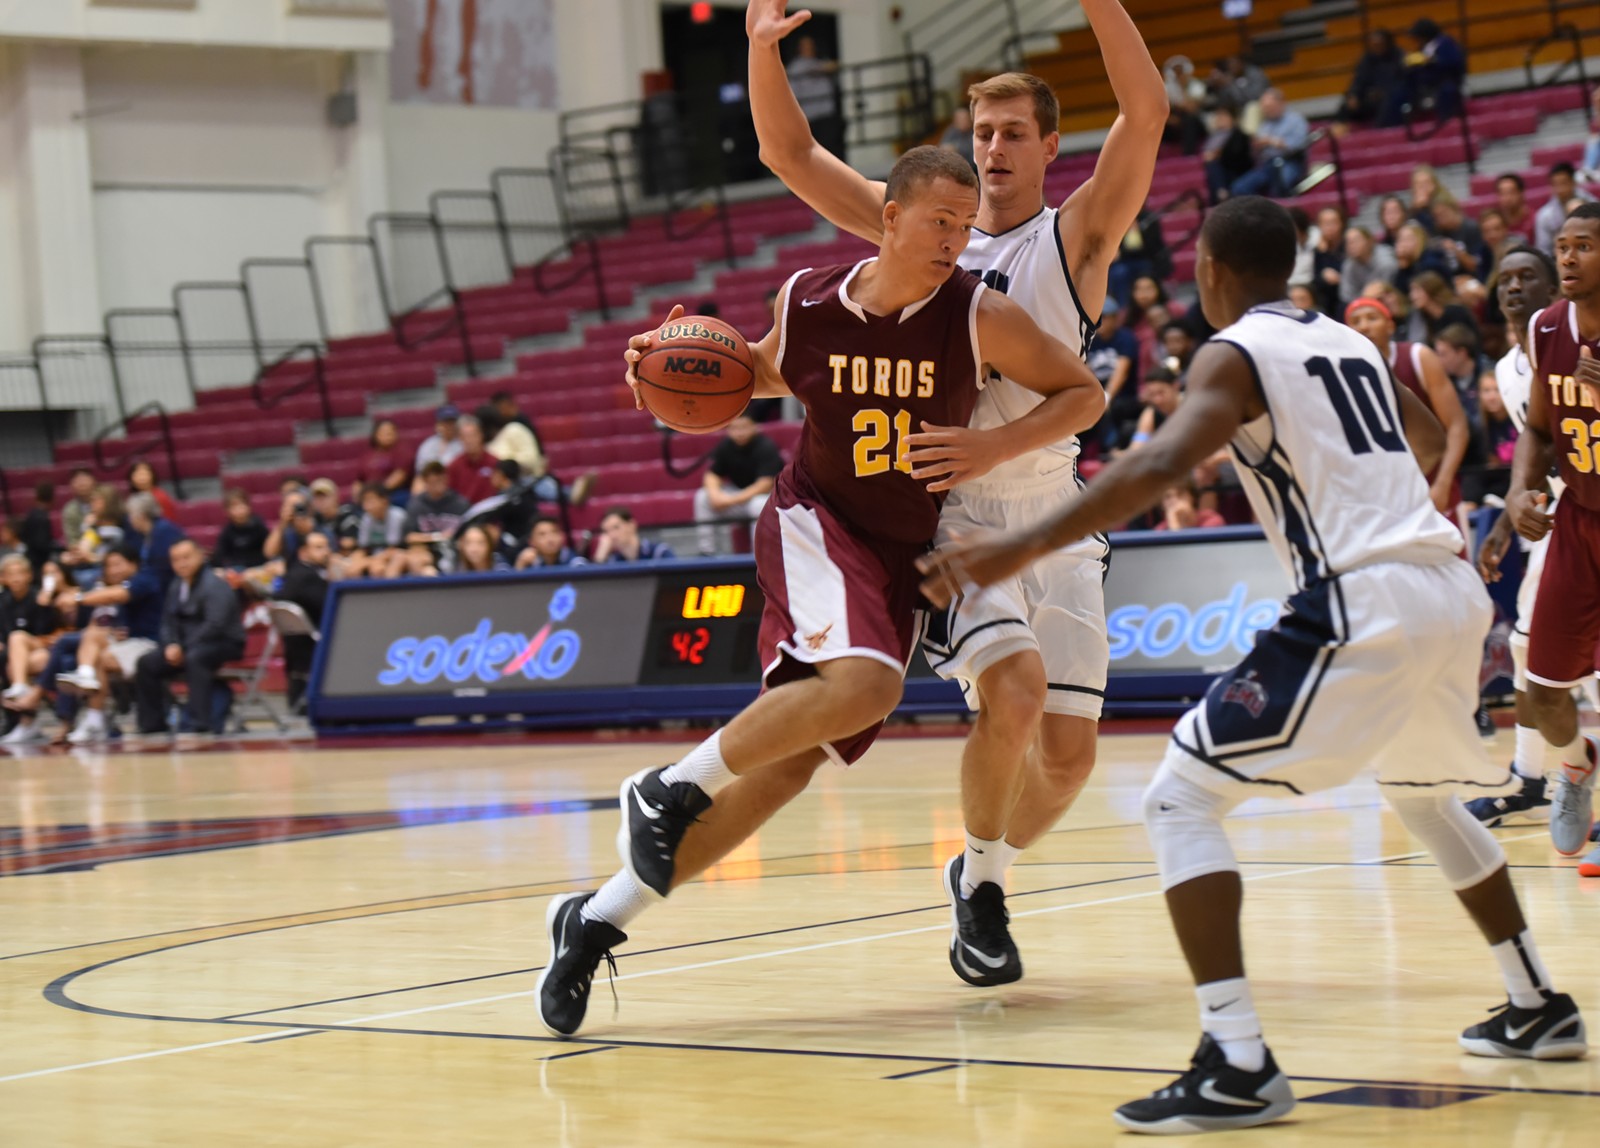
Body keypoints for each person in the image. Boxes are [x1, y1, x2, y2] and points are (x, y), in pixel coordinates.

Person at [919, 196, 1588, 1134]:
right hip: (1444, 588)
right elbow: (1430, 442)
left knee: (1178, 800)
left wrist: (1009, 548)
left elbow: (1154, 467)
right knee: (1425, 799)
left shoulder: (1232, 352)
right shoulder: (1352, 344)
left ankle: (1235, 1059)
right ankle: (1538, 1003)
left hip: (1362, 595)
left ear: (1209, 271)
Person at [537, 143, 1103, 1038]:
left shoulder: (976, 315)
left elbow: (1084, 393)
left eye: (964, 225)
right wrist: (663, 367)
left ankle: (596, 920)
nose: (956, 240)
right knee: (868, 686)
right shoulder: (805, 300)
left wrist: (995, 447)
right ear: (889, 217)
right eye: (939, 222)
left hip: (909, 546)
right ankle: (667, 786)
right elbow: (756, 372)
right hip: (821, 523)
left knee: (788, 766)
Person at [744, 0, 1163, 985]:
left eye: (1014, 133)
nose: (993, 149)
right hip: (958, 522)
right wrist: (761, 46)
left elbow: (1143, 113)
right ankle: (983, 893)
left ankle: (980, 870)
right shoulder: (927, 236)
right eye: (981, 133)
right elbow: (790, 154)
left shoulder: (1075, 237)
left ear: (1051, 147)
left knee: (1066, 762)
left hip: (1056, 510)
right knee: (1009, 697)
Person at [1494, 204, 1600, 874]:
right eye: (1561, 246)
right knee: (1542, 692)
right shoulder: (1545, 327)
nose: (1567, 258)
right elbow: (1536, 428)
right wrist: (1517, 492)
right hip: (1578, 521)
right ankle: (1577, 766)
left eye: (1583, 246)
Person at [1473, 246, 1564, 827]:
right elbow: (1538, 452)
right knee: (1527, 648)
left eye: (1527, 276)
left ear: (1554, 285)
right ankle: (1529, 778)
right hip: (1561, 518)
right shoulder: (1508, 369)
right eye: (1504, 278)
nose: (1512, 287)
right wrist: (1506, 523)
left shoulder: (1579, 340)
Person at [1347, 296, 1470, 516]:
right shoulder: (1342, 374)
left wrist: (1442, 484)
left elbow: (1457, 426)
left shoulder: (1418, 357)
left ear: (1390, 325)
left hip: (1432, 484)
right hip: (1380, 497)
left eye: (1371, 318)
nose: (1364, 326)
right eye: (1355, 321)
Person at [133, 539, 245, 738]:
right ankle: (152, 724)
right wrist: (170, 645)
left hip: (224, 643)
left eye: (187, 557)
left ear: (200, 556)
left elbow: (215, 625)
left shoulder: (214, 585)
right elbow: (168, 621)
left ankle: (200, 722)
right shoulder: (177, 585)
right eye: (176, 560)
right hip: (187, 645)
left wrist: (183, 648)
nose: (182, 563)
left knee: (196, 657)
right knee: (146, 663)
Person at [54, 545, 164, 745]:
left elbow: (118, 595)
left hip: (148, 646)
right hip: (128, 642)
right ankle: (85, 677)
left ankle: (95, 716)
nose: (113, 570)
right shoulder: (127, 582)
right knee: (93, 633)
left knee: (99, 658)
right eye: (109, 566)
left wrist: (78, 597)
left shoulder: (145, 578)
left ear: (133, 563)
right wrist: (117, 631)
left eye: (118, 564)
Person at [693, 414, 784, 555]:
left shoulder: (766, 446)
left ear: (754, 427)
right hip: (739, 498)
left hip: (765, 499)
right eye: (735, 428)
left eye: (744, 427)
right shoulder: (726, 445)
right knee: (703, 497)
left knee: (758, 504)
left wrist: (729, 500)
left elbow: (765, 484)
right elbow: (712, 474)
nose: (739, 433)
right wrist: (715, 495)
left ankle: (759, 556)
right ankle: (707, 552)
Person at [0, 554, 60, 747]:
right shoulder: (2, 601)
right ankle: (24, 723)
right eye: (10, 574)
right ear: (3, 578)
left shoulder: (40, 597)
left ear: (29, 575)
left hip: (42, 647)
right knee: (13, 661)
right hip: (17, 655)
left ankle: (20, 694)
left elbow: (49, 632)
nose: (16, 578)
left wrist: (44, 607)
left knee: (17, 641)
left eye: (20, 573)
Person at [279, 529, 332, 710]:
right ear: (303, 552)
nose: (326, 552)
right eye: (318, 547)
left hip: (294, 648)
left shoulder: (293, 573)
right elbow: (330, 607)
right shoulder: (308, 577)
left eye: (327, 547)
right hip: (311, 645)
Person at [389, 461, 470, 578]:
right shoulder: (416, 505)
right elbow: (409, 537)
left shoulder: (461, 504)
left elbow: (470, 532)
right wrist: (438, 536)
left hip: (453, 550)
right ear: (425, 483)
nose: (439, 485)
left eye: (442, 480)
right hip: (425, 550)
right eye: (434, 482)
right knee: (403, 558)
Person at [1228, 89, 1308, 199]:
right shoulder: (1264, 125)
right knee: (1239, 187)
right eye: (1264, 108)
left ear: (1281, 103)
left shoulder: (1295, 120)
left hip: (1289, 162)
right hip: (1267, 165)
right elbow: (1257, 154)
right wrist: (1256, 147)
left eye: (1270, 107)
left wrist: (1272, 141)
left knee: (1280, 184)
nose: (1267, 111)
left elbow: (1299, 145)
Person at [1088, 296, 1141, 451]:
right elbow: (1084, 368)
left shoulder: (1125, 337)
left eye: (1104, 317)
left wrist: (1107, 396)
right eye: (1097, 316)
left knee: (1111, 409)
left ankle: (1110, 450)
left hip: (1122, 393)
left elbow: (1122, 371)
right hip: (1096, 389)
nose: (1099, 321)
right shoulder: (1090, 338)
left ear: (1115, 318)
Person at [785, 34, 842, 157]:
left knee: (832, 149)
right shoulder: (797, 66)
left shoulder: (817, 61)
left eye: (811, 45)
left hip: (826, 114)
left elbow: (833, 65)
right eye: (806, 46)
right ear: (800, 48)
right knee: (817, 154)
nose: (809, 48)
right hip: (811, 117)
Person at [1336, 28, 1404, 129]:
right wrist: (1353, 94)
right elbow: (1358, 80)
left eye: (1379, 44)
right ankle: (1337, 134)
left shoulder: (1398, 57)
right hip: (1369, 98)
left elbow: (1400, 81)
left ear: (1387, 43)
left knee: (1388, 103)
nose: (1376, 48)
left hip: (1389, 98)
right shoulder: (1367, 59)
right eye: (1374, 45)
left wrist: (1383, 92)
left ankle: (1379, 131)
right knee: (1346, 105)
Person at [1404, 18, 1466, 120]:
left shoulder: (1445, 43)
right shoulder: (1423, 48)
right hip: (1426, 83)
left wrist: (1434, 61)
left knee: (1446, 90)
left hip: (1445, 81)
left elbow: (1455, 62)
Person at [127, 493, 185, 599]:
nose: (129, 520)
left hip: (167, 589)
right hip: (152, 584)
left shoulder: (164, 531)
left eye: (130, 515)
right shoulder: (144, 534)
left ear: (141, 516)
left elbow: (164, 570)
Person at [1535, 163, 1595, 255]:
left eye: (1564, 183)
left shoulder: (1593, 203)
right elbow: (1544, 251)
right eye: (1556, 185)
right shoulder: (1544, 216)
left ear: (1573, 182)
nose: (1560, 189)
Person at [1407, 270, 1477, 345]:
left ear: (1430, 289)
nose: (1412, 296)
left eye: (1417, 290)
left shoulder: (1456, 312)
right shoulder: (1424, 316)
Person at [350, 483, 406, 577]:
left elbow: (393, 548)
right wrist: (356, 561)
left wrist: (369, 561)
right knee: (352, 568)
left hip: (397, 554)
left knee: (378, 568)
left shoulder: (397, 516)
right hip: (375, 555)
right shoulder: (366, 518)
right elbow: (364, 548)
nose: (366, 506)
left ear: (384, 501)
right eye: (364, 501)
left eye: (370, 500)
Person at [1201, 104, 1252, 204]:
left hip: (1236, 170)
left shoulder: (1239, 135)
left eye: (1224, 116)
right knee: (1212, 166)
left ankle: (1221, 192)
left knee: (1213, 164)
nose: (1220, 119)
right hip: (1219, 170)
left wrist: (1219, 154)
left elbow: (1238, 156)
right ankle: (1220, 193)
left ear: (1232, 118)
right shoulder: (1214, 136)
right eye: (1219, 116)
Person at [445, 414, 499, 505]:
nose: (469, 440)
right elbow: (450, 497)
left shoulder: (495, 463)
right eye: (464, 437)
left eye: (472, 435)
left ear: (481, 435)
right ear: (460, 439)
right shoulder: (454, 466)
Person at [591, 507, 675, 564]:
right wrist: (600, 557)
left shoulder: (659, 552)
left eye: (616, 527)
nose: (612, 535)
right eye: (606, 532)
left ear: (632, 525)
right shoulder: (613, 561)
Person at [212, 489, 269, 571]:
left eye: (241, 504)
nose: (239, 509)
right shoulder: (226, 531)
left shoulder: (259, 525)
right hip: (237, 570)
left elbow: (269, 551)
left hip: (260, 568)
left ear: (248, 506)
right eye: (234, 506)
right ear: (227, 511)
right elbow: (220, 556)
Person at [1339, 226, 1396, 308]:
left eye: (1355, 241)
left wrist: (1364, 297)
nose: (1351, 245)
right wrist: (1364, 296)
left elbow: (1383, 293)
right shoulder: (1348, 265)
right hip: (1360, 304)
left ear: (1369, 241)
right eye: (1348, 242)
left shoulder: (1386, 262)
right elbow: (1346, 298)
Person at [412, 405, 464, 492]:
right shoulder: (428, 445)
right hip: (432, 484)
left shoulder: (463, 443)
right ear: (438, 424)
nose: (449, 426)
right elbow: (421, 473)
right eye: (446, 422)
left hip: (456, 483)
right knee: (418, 482)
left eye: (452, 422)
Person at [359, 419, 411, 504]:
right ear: (376, 435)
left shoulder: (403, 452)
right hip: (369, 494)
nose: (387, 435)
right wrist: (359, 495)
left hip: (394, 493)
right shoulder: (368, 455)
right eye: (383, 432)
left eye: (390, 432)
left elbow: (400, 475)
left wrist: (377, 494)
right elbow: (359, 480)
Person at [516, 516, 587, 569]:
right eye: (542, 534)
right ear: (531, 542)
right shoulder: (527, 562)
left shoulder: (575, 563)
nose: (550, 539)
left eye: (554, 532)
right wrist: (520, 565)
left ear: (562, 536)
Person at [1155, 480, 1225, 531]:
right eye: (1168, 497)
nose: (1175, 500)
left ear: (1191, 497)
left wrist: (1175, 524)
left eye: (1180, 493)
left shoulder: (1210, 518)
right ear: (1162, 505)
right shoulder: (1160, 530)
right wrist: (1174, 521)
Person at [18, 483, 54, 575]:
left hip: (31, 558)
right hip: (38, 564)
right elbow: (42, 544)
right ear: (52, 498)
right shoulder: (41, 517)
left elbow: (22, 535)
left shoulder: (31, 513)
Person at [60, 469, 96, 553]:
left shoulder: (104, 501)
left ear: (93, 481)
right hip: (81, 552)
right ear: (71, 485)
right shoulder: (69, 510)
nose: (82, 484)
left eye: (84, 480)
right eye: (77, 481)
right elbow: (71, 540)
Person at [1496, 173, 1534, 240]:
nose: (1507, 198)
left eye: (1511, 192)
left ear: (1521, 193)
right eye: (1502, 194)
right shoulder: (1495, 225)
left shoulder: (1535, 219)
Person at [1409, 165, 1443, 233]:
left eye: (1426, 183)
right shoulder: (1410, 212)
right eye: (1418, 184)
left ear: (1434, 185)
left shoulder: (1444, 206)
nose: (1423, 188)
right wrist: (1416, 210)